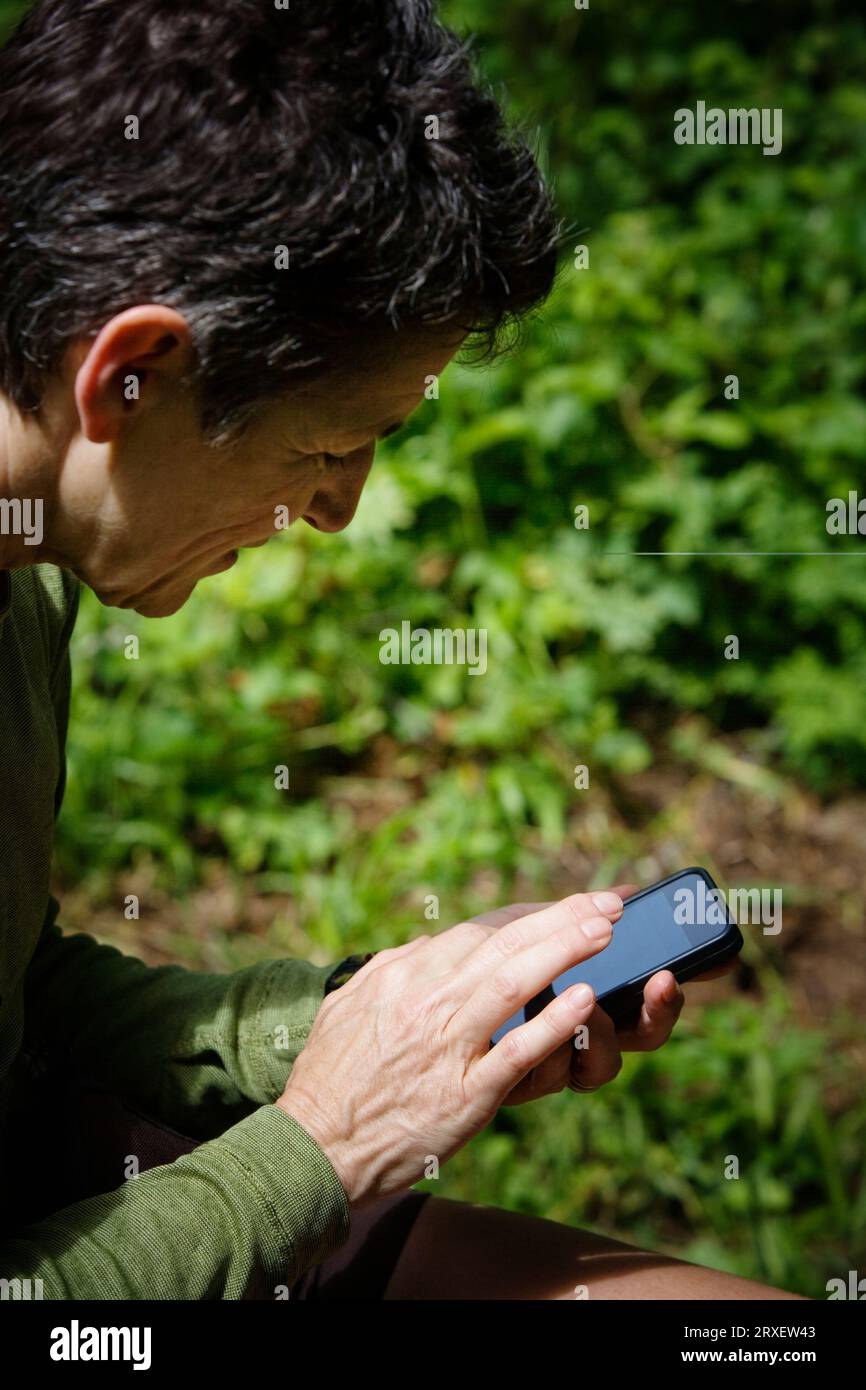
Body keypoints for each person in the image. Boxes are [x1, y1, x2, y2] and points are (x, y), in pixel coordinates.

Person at [0, 0, 801, 1299]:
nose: (336, 511)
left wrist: (349, 1025)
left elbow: (20, 985)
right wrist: (328, 1144)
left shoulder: (33, 559)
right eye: (324, 448)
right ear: (129, 375)